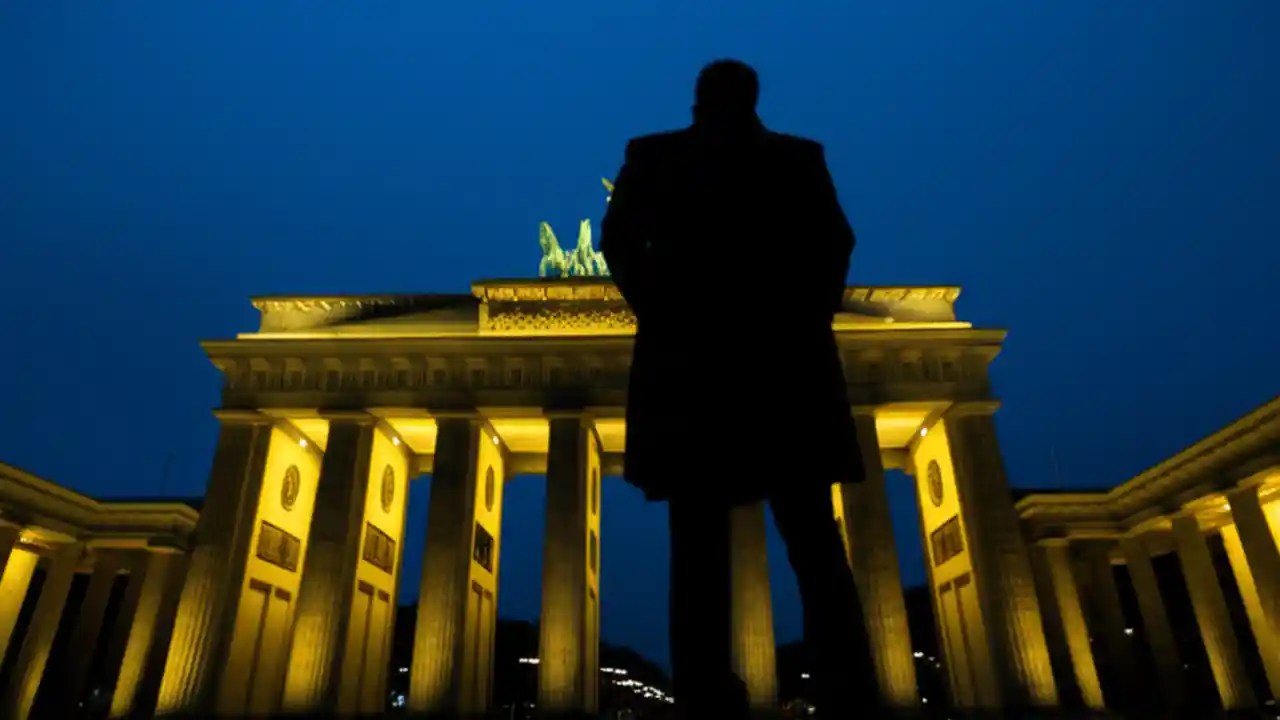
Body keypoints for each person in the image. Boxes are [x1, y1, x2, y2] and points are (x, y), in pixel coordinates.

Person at [601, 60, 880, 718]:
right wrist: (805, 319)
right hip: (784, 373)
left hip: (693, 376)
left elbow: (617, 241)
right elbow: (836, 243)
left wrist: (660, 309)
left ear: (697, 98)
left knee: (696, 547)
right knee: (814, 540)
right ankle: (848, 688)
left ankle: (705, 694)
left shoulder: (655, 155)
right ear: (753, 97)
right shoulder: (795, 158)